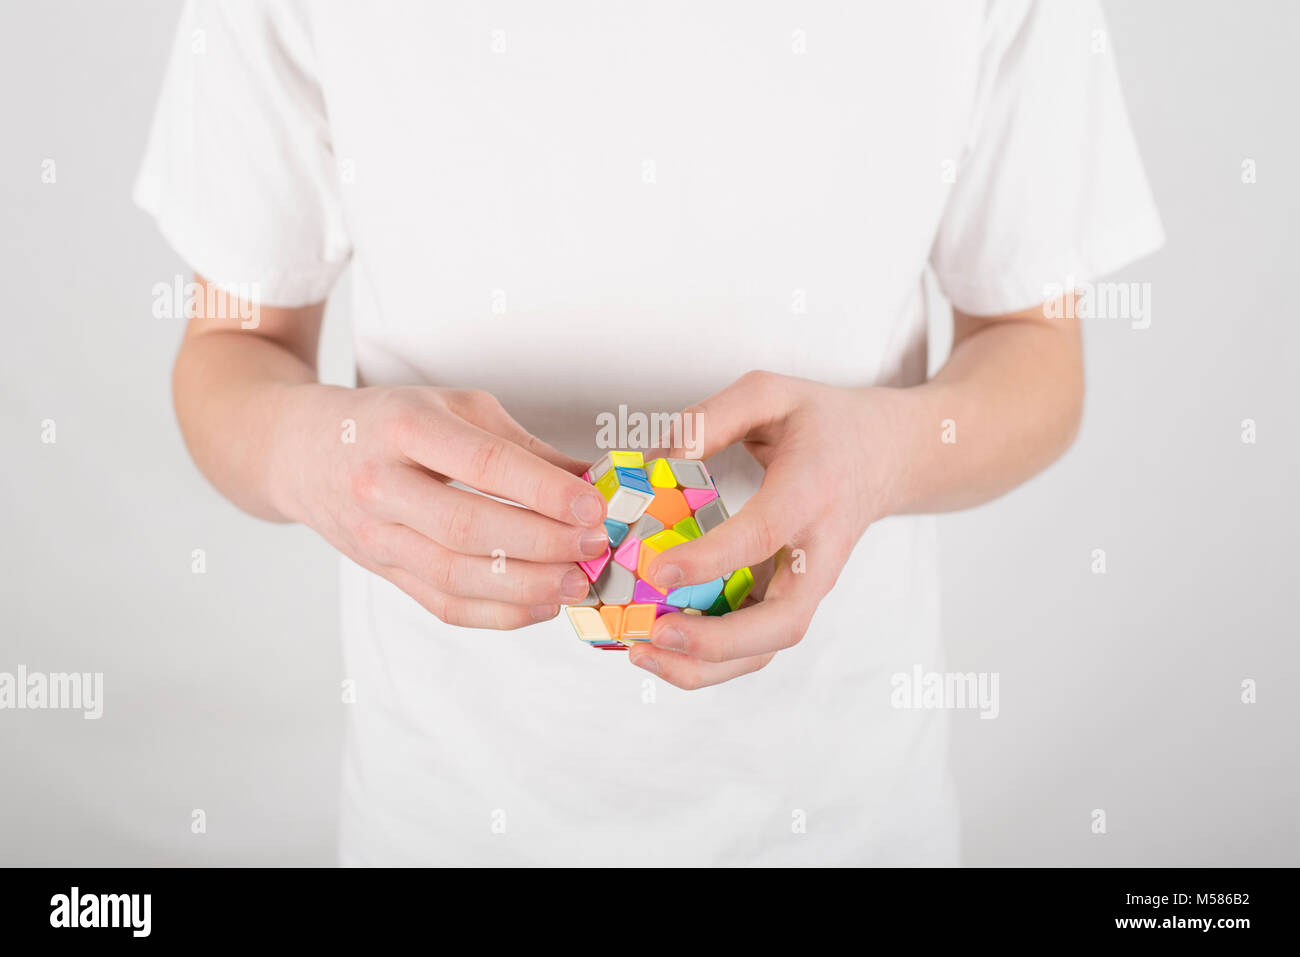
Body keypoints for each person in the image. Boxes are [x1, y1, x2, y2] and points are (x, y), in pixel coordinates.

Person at [136, 0, 1163, 865]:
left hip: (846, 814)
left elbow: (1036, 349)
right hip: (440, 815)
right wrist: (315, 455)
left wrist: (886, 453)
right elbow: (229, 355)